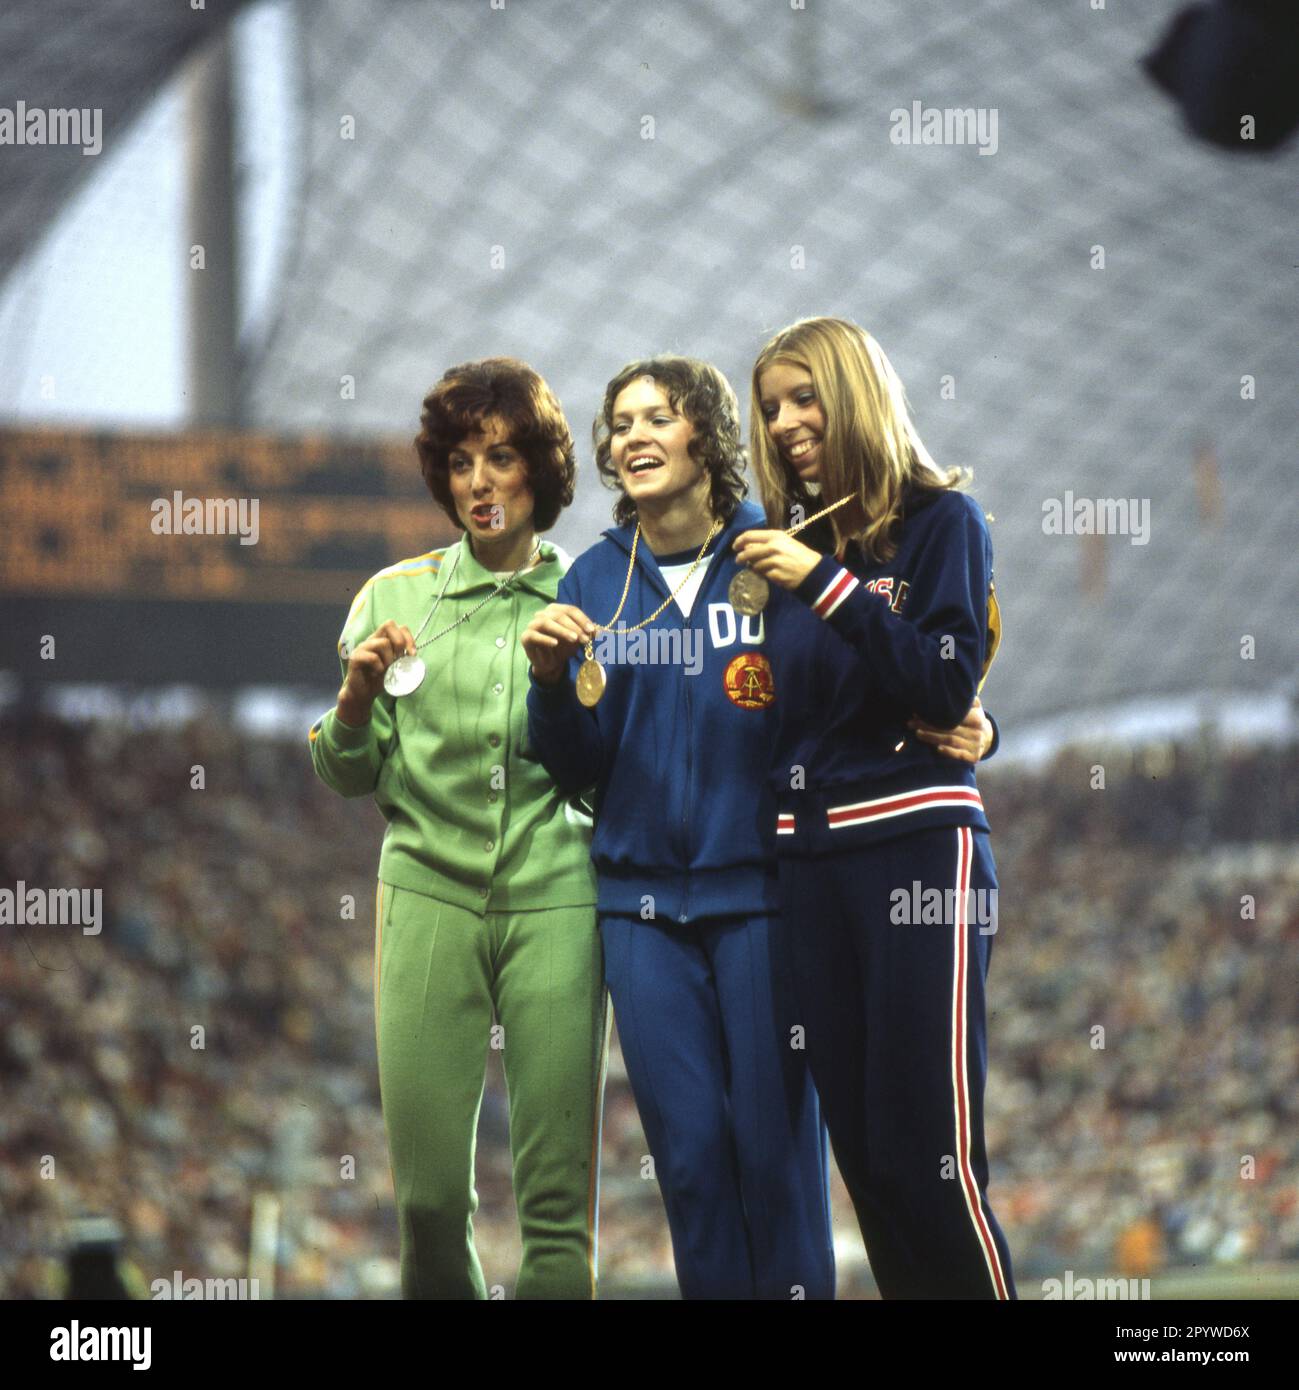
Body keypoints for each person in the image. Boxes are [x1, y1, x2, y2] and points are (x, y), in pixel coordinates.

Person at [522, 356, 993, 1299]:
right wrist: (548, 693)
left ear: (706, 434)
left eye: (658, 416)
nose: (634, 436)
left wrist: (978, 724)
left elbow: (880, 671)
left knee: (779, 1164)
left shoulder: (780, 549)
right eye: (620, 424)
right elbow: (579, 768)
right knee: (691, 1166)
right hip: (640, 909)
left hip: (772, 897)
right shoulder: (593, 577)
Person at [308, 358, 608, 1300]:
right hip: (428, 895)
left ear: (541, 473)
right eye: (462, 460)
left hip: (559, 898)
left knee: (558, 1211)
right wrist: (356, 694)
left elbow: (613, 766)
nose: (480, 481)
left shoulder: (596, 595)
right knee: (430, 1203)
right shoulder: (391, 599)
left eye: (504, 456)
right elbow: (348, 772)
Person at [733, 316, 1017, 1300]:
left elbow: (942, 686)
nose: (784, 422)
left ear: (854, 392)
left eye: (804, 396)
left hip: (916, 855)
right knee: (871, 1168)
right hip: (809, 867)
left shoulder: (944, 522)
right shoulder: (776, 556)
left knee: (927, 1158)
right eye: (770, 407)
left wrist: (829, 584)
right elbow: (795, 720)